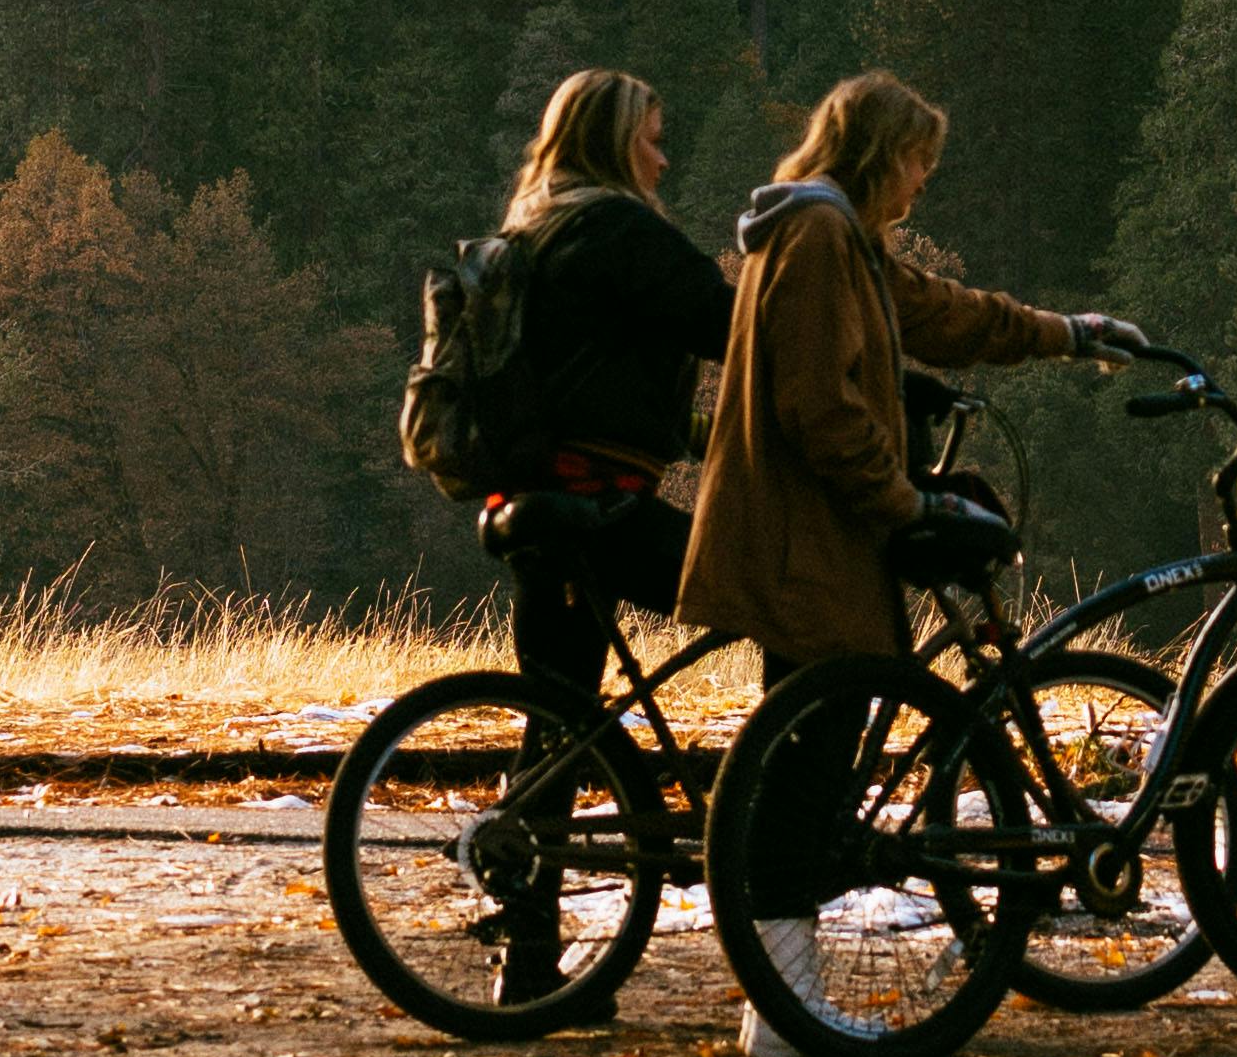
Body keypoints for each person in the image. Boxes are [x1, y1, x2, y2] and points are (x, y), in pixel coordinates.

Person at [677, 67, 1099, 719]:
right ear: (881, 153)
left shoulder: (842, 235)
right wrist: (899, 499)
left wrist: (1066, 333)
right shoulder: (818, 235)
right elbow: (818, 405)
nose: (924, 177)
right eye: (918, 158)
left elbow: (941, 311)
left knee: (813, 748)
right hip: (805, 541)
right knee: (813, 767)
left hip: (814, 536)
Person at [467, 63, 735, 773]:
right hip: (600, 508)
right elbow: (729, 324)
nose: (663, 157)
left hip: (536, 502)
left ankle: (525, 862)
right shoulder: (620, 231)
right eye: (652, 140)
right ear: (614, 145)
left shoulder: (535, 231)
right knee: (780, 598)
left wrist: (711, 437)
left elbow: (603, 393)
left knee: (559, 724)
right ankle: (769, 810)